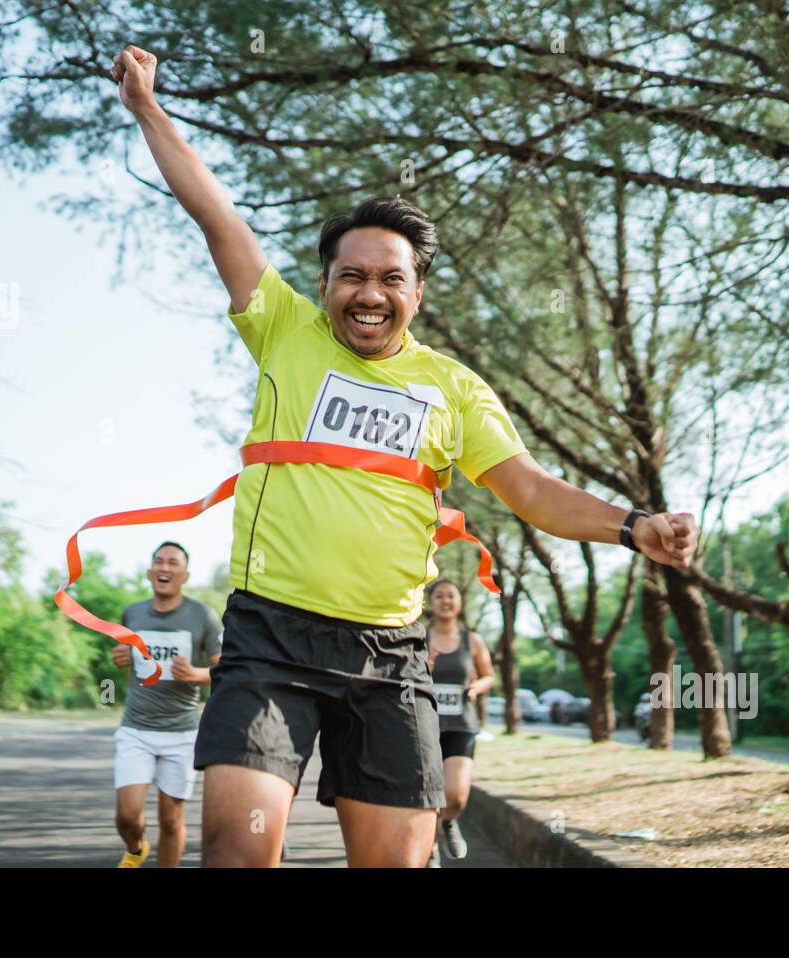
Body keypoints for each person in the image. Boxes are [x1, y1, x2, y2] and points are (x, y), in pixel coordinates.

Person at [110, 45, 700, 868]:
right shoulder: (285, 330)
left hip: (389, 654)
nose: (370, 293)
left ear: (417, 291)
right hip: (270, 637)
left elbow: (529, 489)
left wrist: (633, 524)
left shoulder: (453, 388)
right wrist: (148, 109)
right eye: (351, 275)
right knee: (237, 855)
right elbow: (217, 216)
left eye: (391, 278)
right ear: (323, 284)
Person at [112, 542, 222, 867]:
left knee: (171, 819)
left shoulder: (203, 616)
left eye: (173, 563)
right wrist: (121, 657)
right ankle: (135, 849)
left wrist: (197, 673)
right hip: (136, 729)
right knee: (127, 815)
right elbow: (133, 658)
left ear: (184, 575)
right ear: (149, 572)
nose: (165, 568)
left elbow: (226, 669)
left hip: (182, 733)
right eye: (159, 562)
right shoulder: (132, 613)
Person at [424, 579, 495, 866]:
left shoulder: (472, 640)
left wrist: (478, 687)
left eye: (451, 596)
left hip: (461, 723)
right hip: (423, 724)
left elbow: (489, 674)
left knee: (456, 794)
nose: (445, 601)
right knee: (426, 793)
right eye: (439, 596)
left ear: (460, 603)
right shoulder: (418, 636)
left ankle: (449, 821)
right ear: (430, 603)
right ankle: (428, 847)